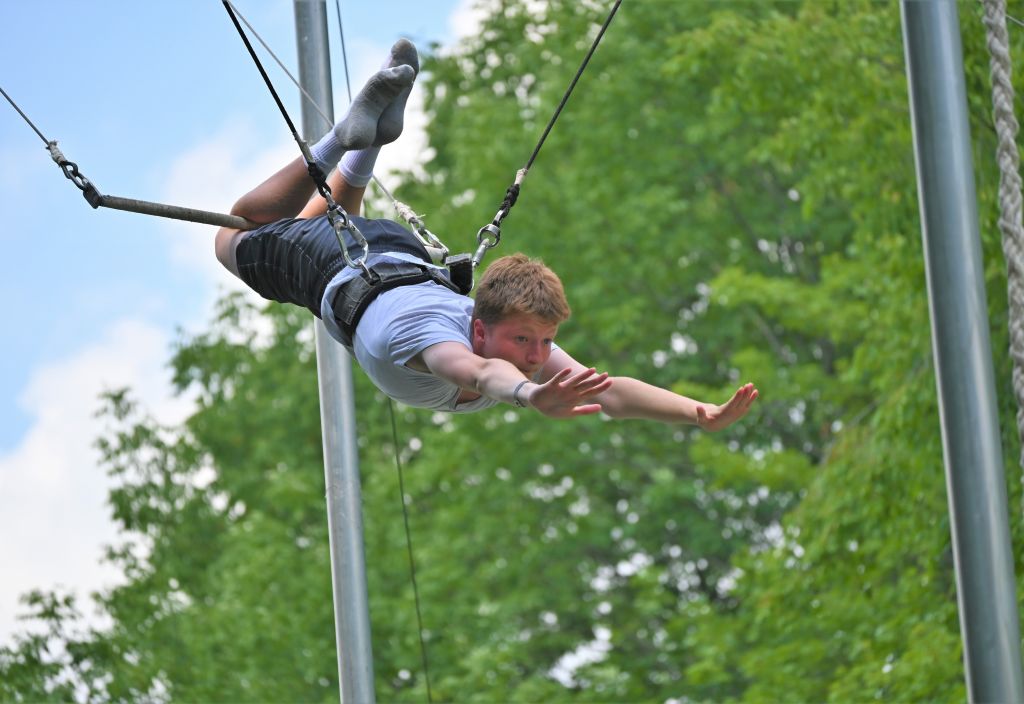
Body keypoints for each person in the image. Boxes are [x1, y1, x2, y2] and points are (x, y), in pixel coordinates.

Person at [215, 40, 758, 427]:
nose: (535, 354)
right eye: (525, 341)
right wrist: (529, 395)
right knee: (231, 236)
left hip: (392, 260)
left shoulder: (516, 343)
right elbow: (480, 372)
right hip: (348, 269)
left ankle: (366, 141)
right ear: (478, 325)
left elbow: (608, 391)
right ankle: (346, 140)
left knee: (329, 217)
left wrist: (697, 412)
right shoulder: (447, 348)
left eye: (543, 342)